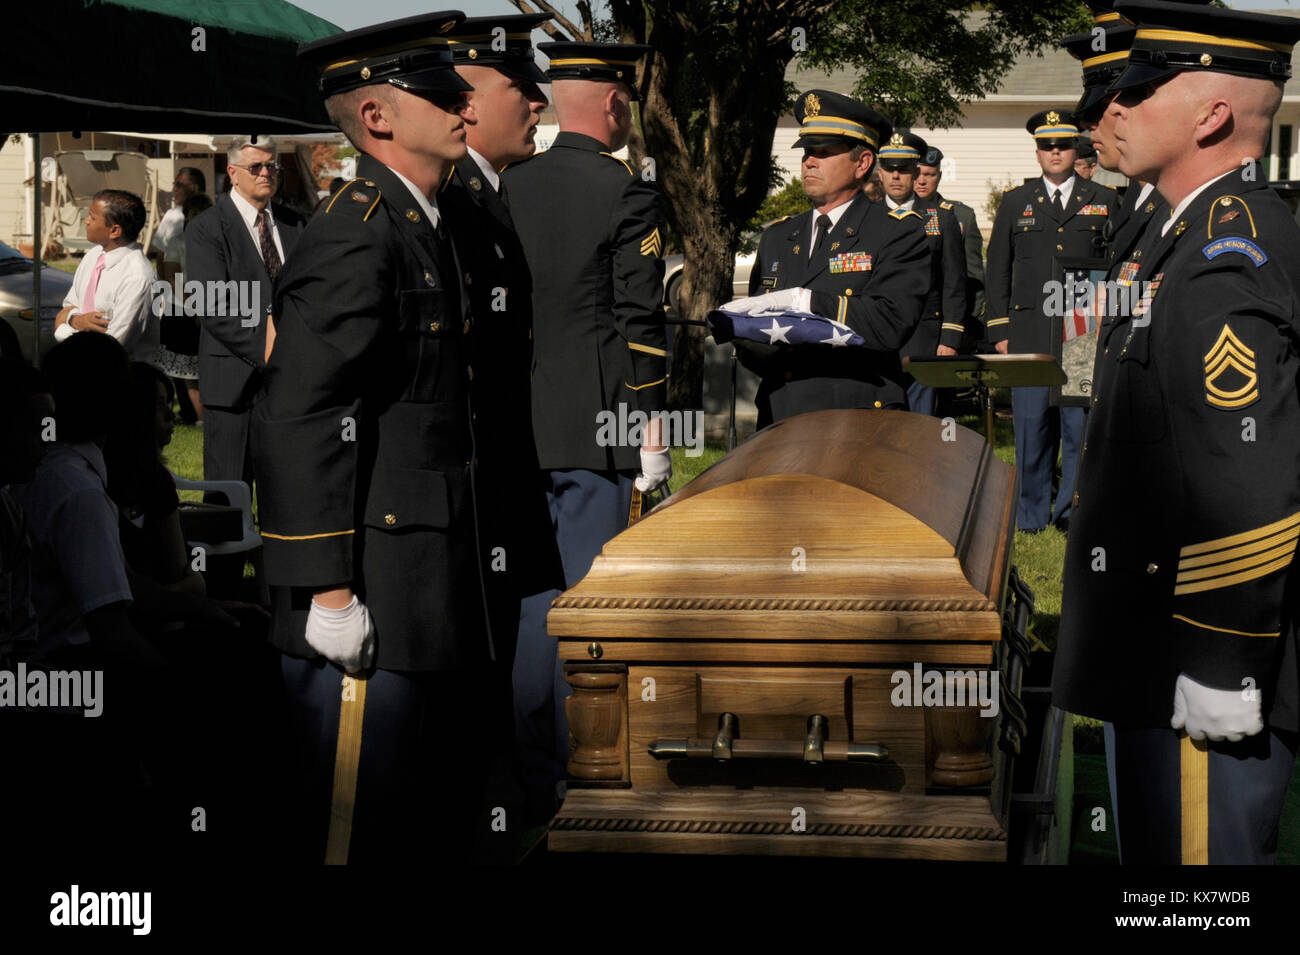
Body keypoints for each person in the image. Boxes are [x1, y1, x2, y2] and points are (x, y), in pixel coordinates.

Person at [1054, 0, 1300, 865]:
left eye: (1140, 88)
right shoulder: (1172, 235)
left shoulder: (1221, 257)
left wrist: (1224, 659)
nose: (1113, 108)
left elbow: (1249, 481)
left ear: (1212, 115)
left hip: (1193, 657)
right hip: (1150, 642)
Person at [254, 11, 493, 863]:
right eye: (441, 91)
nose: (466, 101)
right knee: (352, 831)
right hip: (370, 586)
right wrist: (327, 590)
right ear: (380, 117)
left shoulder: (426, 222)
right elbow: (301, 412)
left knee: (417, 822)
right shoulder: (358, 235)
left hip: (427, 579)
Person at [502, 40, 670, 825]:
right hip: (599, 424)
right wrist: (652, 423)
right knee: (590, 601)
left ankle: (526, 758)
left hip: (521, 421)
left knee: (537, 598)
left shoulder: (510, 183)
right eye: (627, 99)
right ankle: (586, 758)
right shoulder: (623, 188)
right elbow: (641, 321)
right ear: (611, 103)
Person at [440, 12, 564, 851]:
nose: (536, 105)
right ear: (471, 102)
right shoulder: (456, 200)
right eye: (521, 90)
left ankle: (503, 796)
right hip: (469, 478)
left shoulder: (489, 193)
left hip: (501, 472)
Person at [731, 89, 928, 426]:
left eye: (824, 152)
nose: (809, 161)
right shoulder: (778, 236)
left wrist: (809, 304)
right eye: (808, 151)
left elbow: (891, 323)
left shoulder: (896, 232)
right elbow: (761, 325)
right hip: (782, 410)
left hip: (857, 414)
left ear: (863, 163)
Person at [984, 110, 1117, 534]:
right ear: (1037, 152)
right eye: (1047, 145)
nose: (1055, 152)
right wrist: (999, 329)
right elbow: (998, 269)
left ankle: (1068, 514)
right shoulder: (1015, 202)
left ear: (1075, 149)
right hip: (1028, 333)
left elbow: (1115, 268)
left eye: (1062, 145)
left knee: (1078, 427)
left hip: (1082, 333)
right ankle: (1029, 515)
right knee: (1030, 426)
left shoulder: (1105, 199)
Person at [187, 139, 305, 495]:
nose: (267, 173)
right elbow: (210, 303)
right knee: (228, 490)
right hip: (232, 380)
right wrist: (266, 346)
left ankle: (277, 550)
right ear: (233, 173)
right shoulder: (207, 227)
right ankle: (226, 553)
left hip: (289, 381)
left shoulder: (295, 223)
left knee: (284, 486)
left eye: (272, 166)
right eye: (256, 167)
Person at [876, 132, 964, 415]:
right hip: (876, 340)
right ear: (879, 172)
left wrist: (949, 339)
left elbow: (954, 282)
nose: (896, 176)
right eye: (890, 168)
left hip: (925, 338)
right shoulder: (863, 218)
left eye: (904, 169)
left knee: (922, 427)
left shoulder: (941, 217)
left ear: (916, 173)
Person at [52, 190, 159, 363]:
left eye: (92, 218)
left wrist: (64, 330)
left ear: (114, 230)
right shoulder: (93, 256)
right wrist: (76, 320)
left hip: (120, 379)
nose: (85, 220)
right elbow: (66, 310)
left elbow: (114, 346)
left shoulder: (137, 277)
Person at [915, 145, 986, 351]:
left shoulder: (961, 216)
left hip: (947, 322)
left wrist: (964, 327)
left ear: (939, 176)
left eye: (929, 174)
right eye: (918, 173)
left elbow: (973, 277)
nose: (922, 181)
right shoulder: (887, 214)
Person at [149, 166, 205, 282]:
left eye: (178, 185)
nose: (173, 189)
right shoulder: (172, 215)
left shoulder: (174, 216)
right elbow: (160, 258)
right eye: (174, 184)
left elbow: (160, 259)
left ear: (194, 188)